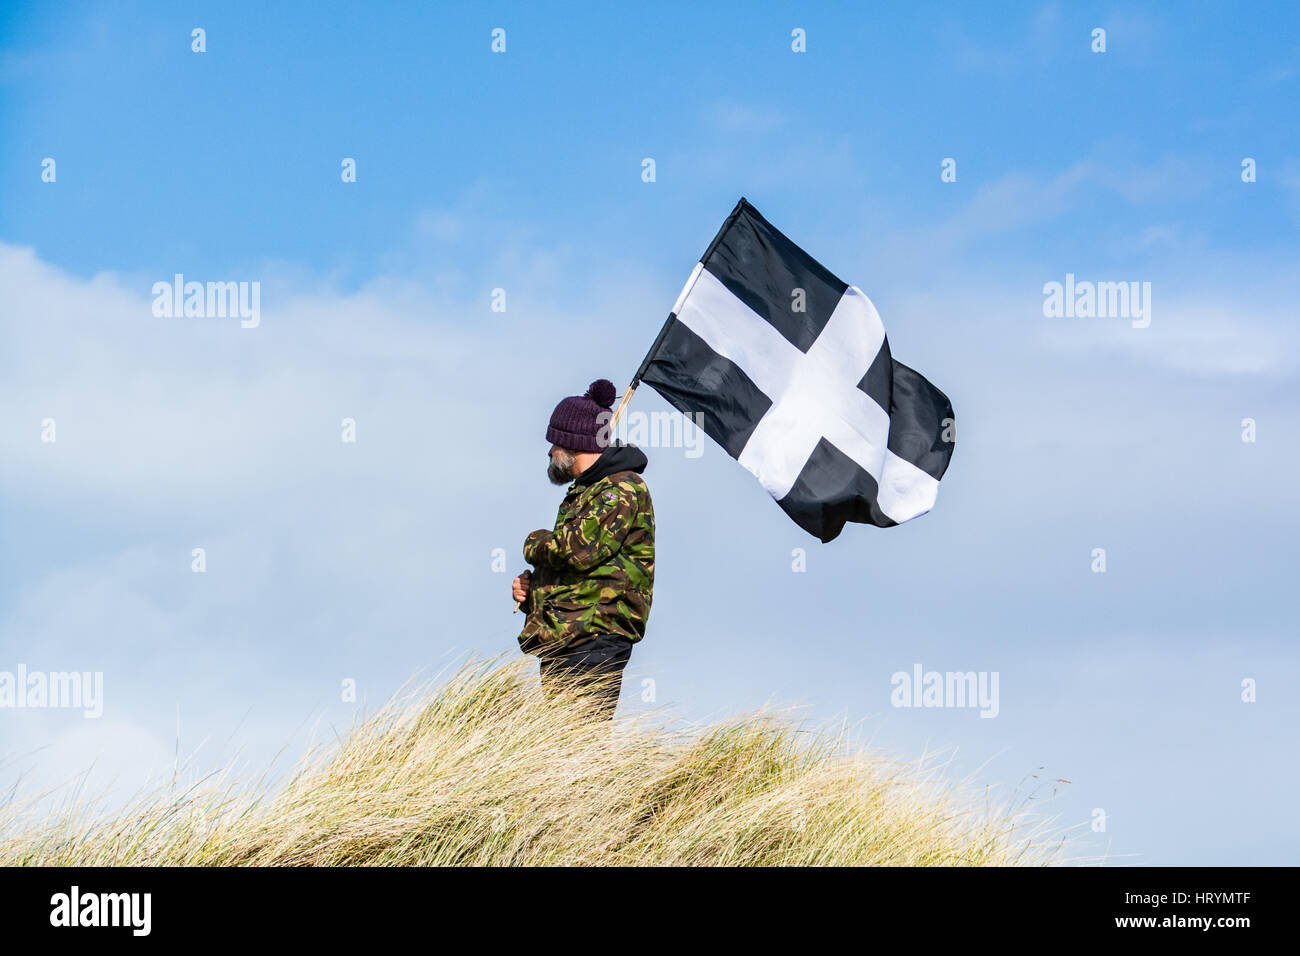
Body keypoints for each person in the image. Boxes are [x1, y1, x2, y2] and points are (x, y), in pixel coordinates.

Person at [512, 378, 654, 719]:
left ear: (574, 441)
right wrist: (535, 592)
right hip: (566, 639)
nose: (550, 451)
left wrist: (533, 543)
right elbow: (583, 573)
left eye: (555, 441)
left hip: (593, 641)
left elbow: (576, 550)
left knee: (579, 748)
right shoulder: (587, 492)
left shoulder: (621, 490)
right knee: (561, 750)